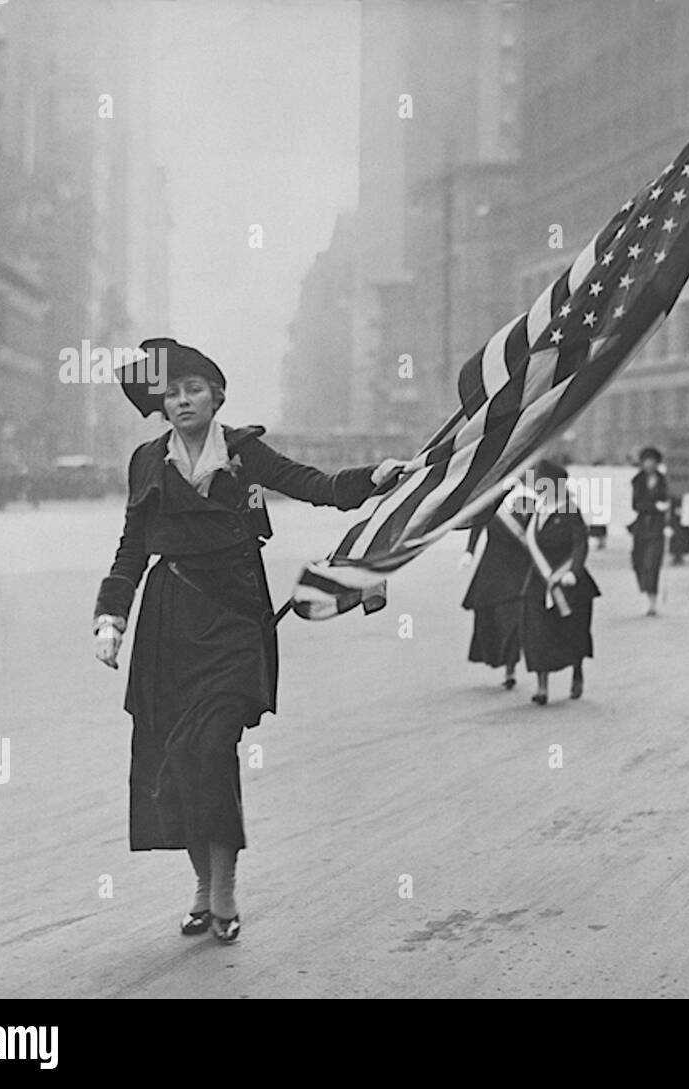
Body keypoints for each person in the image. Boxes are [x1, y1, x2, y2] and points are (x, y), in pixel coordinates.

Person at [92, 338, 405, 943]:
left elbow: (313, 483)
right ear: (162, 404)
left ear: (217, 395)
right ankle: (203, 892)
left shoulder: (244, 452)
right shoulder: (146, 461)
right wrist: (111, 618)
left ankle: (226, 891)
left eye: (194, 389)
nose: (183, 400)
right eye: (172, 393)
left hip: (236, 619)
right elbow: (132, 547)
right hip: (169, 622)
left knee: (211, 746)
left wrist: (374, 477)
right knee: (176, 757)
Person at [517, 460, 600, 706]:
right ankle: (542, 686)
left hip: (568, 580)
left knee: (572, 631)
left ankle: (577, 669)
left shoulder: (569, 510)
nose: (538, 488)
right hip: (538, 580)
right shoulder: (536, 510)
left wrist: (574, 570)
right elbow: (529, 542)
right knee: (536, 630)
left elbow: (580, 544)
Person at [461, 496, 530, 689]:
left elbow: (535, 531)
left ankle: (511, 667)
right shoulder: (491, 500)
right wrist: (469, 551)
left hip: (519, 567)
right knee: (488, 616)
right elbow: (477, 527)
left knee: (512, 619)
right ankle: (498, 658)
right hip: (492, 568)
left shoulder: (528, 499)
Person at [629, 446, 670, 615]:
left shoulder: (664, 481)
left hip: (657, 528)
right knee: (639, 562)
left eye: (652, 461)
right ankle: (646, 592)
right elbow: (635, 504)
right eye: (646, 461)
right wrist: (654, 506)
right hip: (641, 527)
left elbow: (670, 500)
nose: (649, 465)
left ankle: (652, 601)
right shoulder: (638, 481)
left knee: (652, 563)